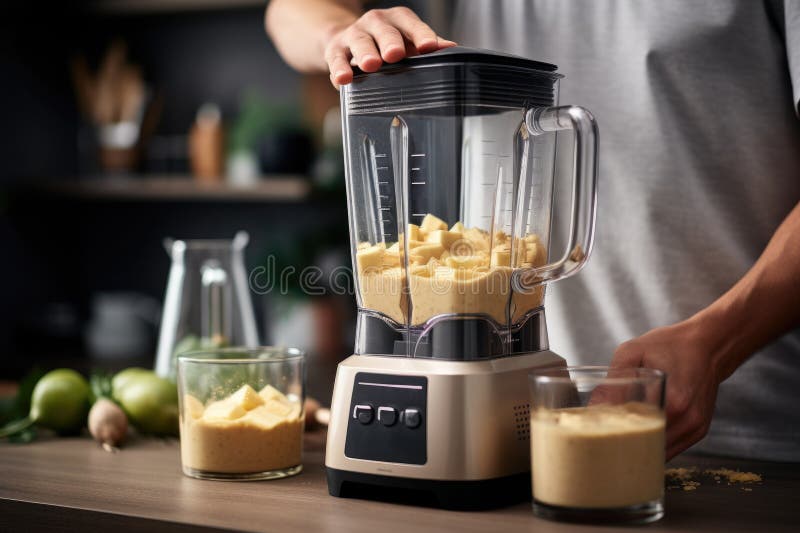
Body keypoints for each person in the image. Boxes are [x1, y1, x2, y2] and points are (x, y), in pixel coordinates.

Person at [266, 0, 800, 461]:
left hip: (743, 431)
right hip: (540, 426)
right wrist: (339, 35)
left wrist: (715, 345)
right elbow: (287, 12)